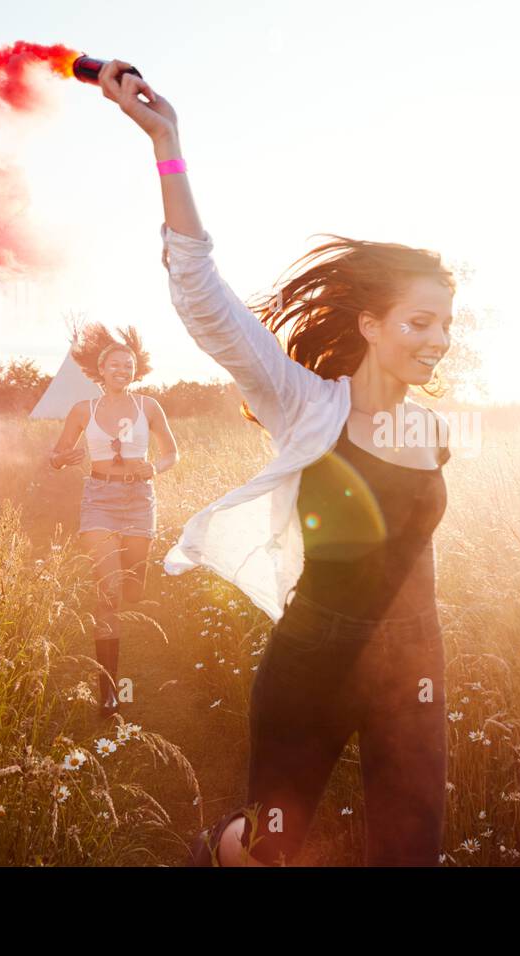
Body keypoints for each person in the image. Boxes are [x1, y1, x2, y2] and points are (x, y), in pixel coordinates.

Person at [97, 60, 457, 865]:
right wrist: (168, 142)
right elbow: (201, 295)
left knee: (412, 857)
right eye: (421, 322)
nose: (438, 341)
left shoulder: (433, 432)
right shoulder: (305, 402)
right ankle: (217, 849)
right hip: (313, 657)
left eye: (446, 326)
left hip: (414, 663)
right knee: (270, 852)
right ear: (371, 323)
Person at [47, 323, 179, 716]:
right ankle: (108, 688)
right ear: (101, 370)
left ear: (135, 372)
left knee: (133, 587)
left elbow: (173, 452)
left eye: (130, 365)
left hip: (139, 499)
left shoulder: (149, 407)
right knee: (107, 594)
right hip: (100, 500)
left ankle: (135, 578)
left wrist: (154, 469)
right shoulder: (81, 410)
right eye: (116, 364)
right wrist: (63, 459)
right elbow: (56, 456)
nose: (123, 369)